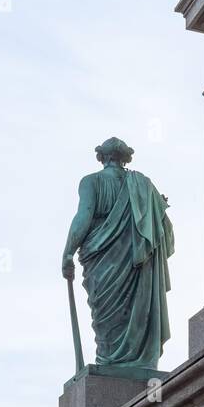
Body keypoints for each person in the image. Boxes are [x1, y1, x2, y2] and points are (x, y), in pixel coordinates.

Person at [61, 137, 173, 369]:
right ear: (126, 158)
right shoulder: (144, 185)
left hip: (102, 258)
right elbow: (163, 228)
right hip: (136, 261)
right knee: (136, 310)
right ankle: (132, 363)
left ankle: (110, 362)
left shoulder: (91, 181)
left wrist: (68, 253)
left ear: (102, 157)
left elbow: (84, 217)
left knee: (106, 317)